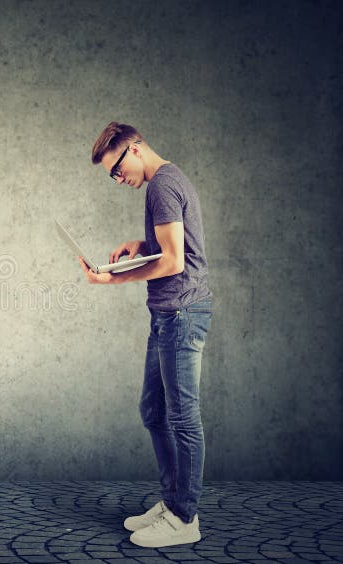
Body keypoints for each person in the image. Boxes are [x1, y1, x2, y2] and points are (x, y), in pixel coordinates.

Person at [79, 122, 213, 548]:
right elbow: (176, 246)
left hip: (181, 314)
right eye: (112, 176)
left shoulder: (162, 185)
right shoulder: (166, 183)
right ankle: (172, 502)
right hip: (167, 315)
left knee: (182, 418)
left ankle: (184, 518)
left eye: (117, 169)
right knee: (153, 411)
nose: (119, 180)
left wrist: (111, 281)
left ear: (134, 149)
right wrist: (142, 244)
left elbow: (174, 262)